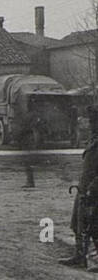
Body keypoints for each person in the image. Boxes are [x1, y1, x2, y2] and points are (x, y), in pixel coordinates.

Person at [59, 107, 98, 270]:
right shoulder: (93, 140)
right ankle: (79, 256)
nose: (89, 125)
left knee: (94, 224)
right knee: (78, 223)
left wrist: (93, 188)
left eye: (92, 122)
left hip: (94, 190)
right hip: (84, 188)